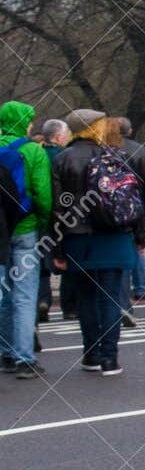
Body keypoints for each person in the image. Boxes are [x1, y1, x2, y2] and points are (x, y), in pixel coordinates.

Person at [48, 110, 145, 375]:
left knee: (85, 298)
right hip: (115, 234)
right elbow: (136, 200)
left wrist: (57, 247)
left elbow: (58, 208)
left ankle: (91, 353)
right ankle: (110, 357)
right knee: (110, 297)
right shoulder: (118, 156)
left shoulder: (62, 160)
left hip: (78, 237)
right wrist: (140, 235)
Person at [0, 100, 52, 379]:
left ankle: (5, 353)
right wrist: (43, 223)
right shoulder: (33, 151)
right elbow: (42, 195)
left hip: (0, 232)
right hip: (25, 228)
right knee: (24, 295)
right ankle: (23, 358)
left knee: (3, 295)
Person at [115, 116, 145, 322]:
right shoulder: (140, 150)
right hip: (136, 207)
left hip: (114, 210)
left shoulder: (105, 148)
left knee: (120, 257)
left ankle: (121, 303)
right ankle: (139, 288)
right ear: (130, 131)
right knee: (138, 249)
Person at [36, 118, 70, 323]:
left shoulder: (36, 154)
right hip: (63, 214)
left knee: (40, 264)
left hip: (40, 217)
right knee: (68, 261)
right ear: (58, 137)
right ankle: (70, 306)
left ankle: (43, 300)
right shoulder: (64, 157)